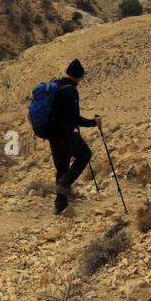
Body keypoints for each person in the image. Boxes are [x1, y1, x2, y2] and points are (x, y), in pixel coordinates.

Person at [47, 59, 101, 215]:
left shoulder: (56, 85)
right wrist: (94, 122)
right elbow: (75, 118)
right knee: (85, 155)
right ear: (78, 76)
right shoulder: (71, 91)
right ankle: (64, 184)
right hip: (65, 134)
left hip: (51, 134)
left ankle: (60, 206)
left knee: (62, 167)